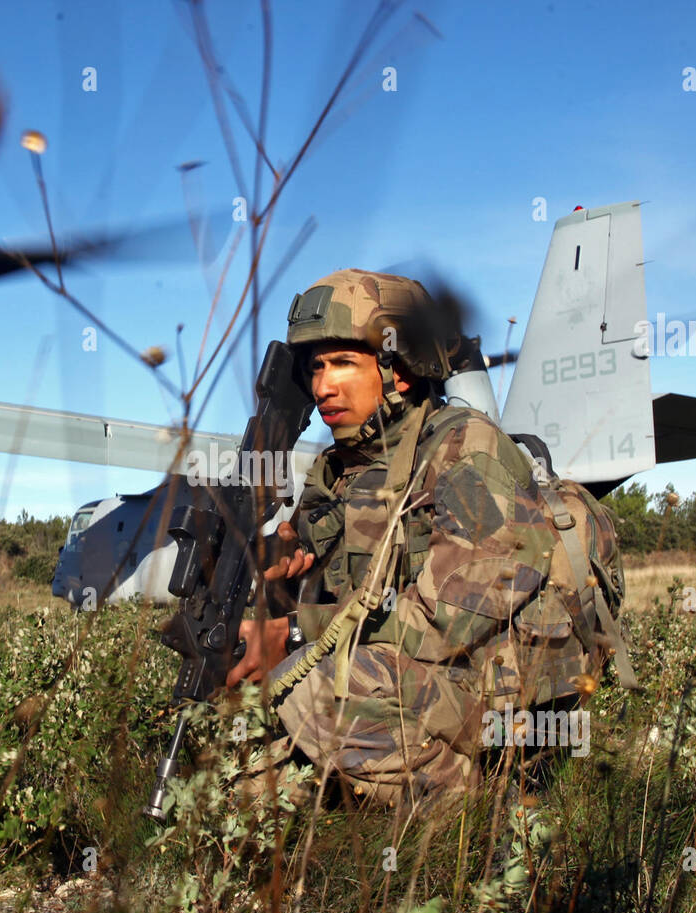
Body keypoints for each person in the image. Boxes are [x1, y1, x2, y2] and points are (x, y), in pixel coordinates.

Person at [223, 268, 602, 810]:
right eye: (316, 367)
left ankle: (475, 797)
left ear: (397, 369)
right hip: (412, 679)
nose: (321, 386)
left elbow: (444, 621)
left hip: (500, 699)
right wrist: (283, 567)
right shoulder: (339, 469)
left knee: (328, 693)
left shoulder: (467, 450)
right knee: (246, 688)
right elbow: (330, 580)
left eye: (343, 363)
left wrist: (295, 637)